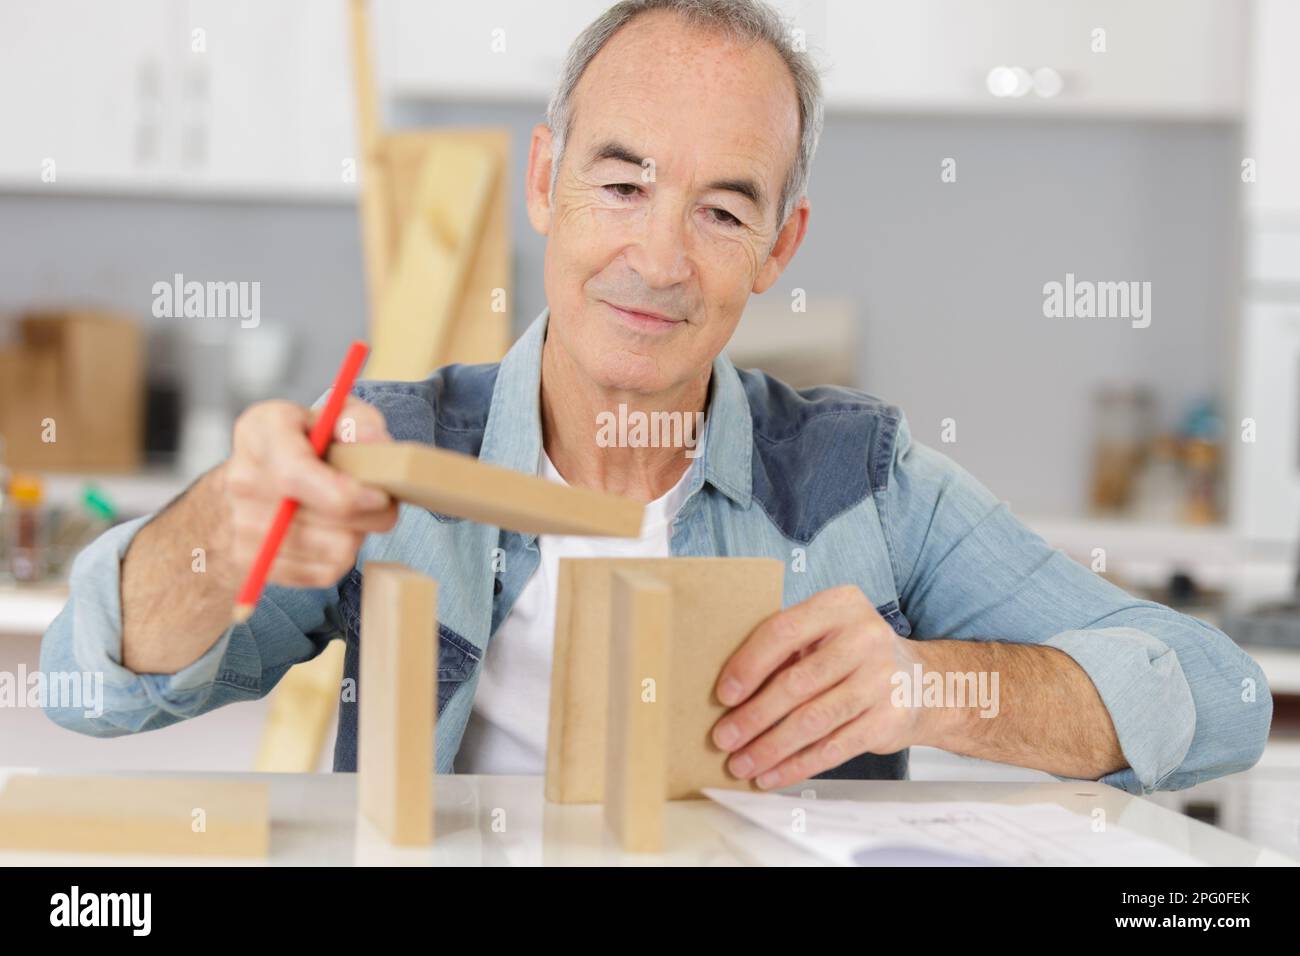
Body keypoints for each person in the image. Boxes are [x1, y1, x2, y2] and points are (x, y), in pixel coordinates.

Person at [42, 0, 1270, 794]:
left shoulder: (868, 483)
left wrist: (933, 684)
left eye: (722, 210)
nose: (661, 259)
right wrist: (222, 524)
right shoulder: (394, 456)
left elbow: (1220, 692)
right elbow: (88, 688)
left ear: (779, 246)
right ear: (544, 178)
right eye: (621, 186)